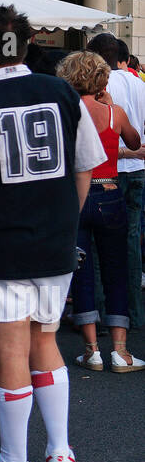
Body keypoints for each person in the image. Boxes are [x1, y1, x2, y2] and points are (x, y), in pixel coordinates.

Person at [0, 5, 105, 462]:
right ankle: (59, 450)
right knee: (46, 340)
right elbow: (86, 166)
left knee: (10, 350)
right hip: (56, 240)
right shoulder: (61, 91)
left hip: (0, 243)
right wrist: (66, 219)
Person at [56, 51, 144, 372]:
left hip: (75, 195)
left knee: (81, 271)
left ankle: (91, 350)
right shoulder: (113, 113)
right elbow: (134, 142)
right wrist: (109, 104)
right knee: (115, 270)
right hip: (109, 192)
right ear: (101, 79)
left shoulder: (64, 113)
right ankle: (120, 351)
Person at [86, 33, 145, 340]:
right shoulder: (139, 84)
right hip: (138, 171)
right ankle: (134, 313)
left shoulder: (102, 86)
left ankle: (97, 314)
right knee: (132, 244)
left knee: (99, 248)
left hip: (107, 172)